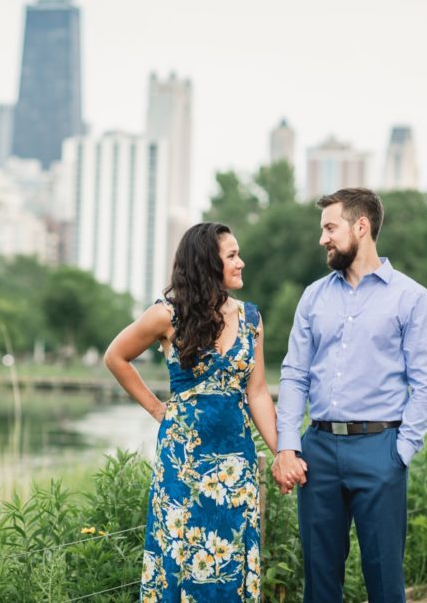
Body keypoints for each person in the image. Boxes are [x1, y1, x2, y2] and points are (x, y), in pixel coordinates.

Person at [271, 188, 427, 603]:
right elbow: (294, 375)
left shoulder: (413, 300)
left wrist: (400, 453)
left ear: (361, 227)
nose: (323, 239)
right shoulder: (314, 296)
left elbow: (426, 386)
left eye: (330, 228)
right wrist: (288, 446)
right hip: (318, 453)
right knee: (319, 579)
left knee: (384, 580)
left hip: (380, 450)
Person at [104, 222, 278, 602]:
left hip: (235, 462)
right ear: (207, 264)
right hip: (182, 463)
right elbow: (115, 357)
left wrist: (283, 452)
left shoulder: (251, 319)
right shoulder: (167, 315)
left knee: (231, 560)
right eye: (232, 256)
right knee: (178, 558)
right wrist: (156, 409)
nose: (241, 262)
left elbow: (259, 392)